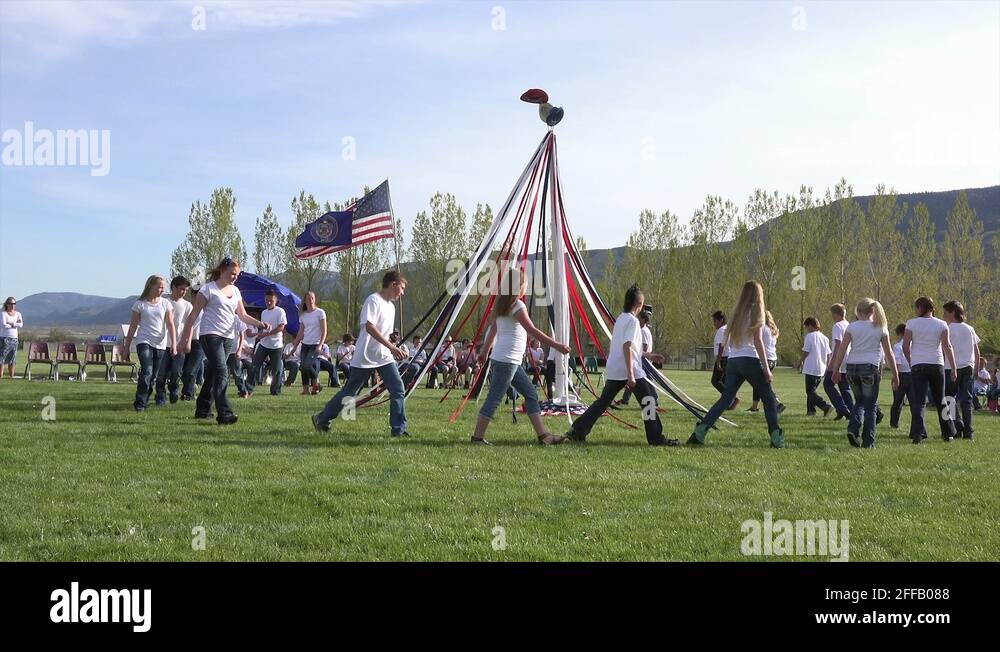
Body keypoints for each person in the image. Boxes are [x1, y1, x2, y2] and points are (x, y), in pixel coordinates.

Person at [567, 283, 677, 446]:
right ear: (639, 304)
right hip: (629, 369)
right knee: (649, 399)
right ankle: (655, 438)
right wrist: (631, 375)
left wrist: (649, 355)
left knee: (603, 402)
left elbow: (631, 347)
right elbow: (627, 346)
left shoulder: (621, 318)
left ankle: (578, 430)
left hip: (616, 369)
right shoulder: (632, 321)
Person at [472, 267, 571, 445]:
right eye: (525, 284)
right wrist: (557, 345)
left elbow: (493, 329)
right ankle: (477, 437)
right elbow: (532, 330)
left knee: (531, 394)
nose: (526, 288)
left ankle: (544, 436)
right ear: (519, 286)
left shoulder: (503, 305)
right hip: (507, 361)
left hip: (509, 361)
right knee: (494, 399)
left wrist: (485, 351)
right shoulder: (517, 306)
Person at [312, 271, 409, 437]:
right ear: (393, 284)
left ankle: (399, 430)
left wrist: (392, 346)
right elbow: (370, 327)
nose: (402, 293)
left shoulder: (391, 307)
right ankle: (322, 418)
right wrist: (392, 347)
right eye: (402, 288)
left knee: (398, 389)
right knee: (350, 393)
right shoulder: (373, 300)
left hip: (383, 356)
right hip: (365, 356)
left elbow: (383, 334)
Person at [688, 281, 783, 448]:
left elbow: (728, 340)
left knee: (725, 399)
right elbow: (758, 341)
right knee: (768, 398)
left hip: (734, 361)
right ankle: (776, 437)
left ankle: (700, 431)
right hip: (751, 360)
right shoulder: (757, 312)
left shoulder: (736, 313)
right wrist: (766, 369)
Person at [179, 257, 265, 425]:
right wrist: (186, 339)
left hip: (227, 338)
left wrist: (260, 323)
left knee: (212, 374)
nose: (235, 277)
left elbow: (242, 315)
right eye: (233, 273)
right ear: (223, 270)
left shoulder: (236, 291)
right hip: (210, 335)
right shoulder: (207, 289)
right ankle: (224, 413)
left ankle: (203, 409)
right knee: (222, 372)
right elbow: (193, 315)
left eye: (237, 275)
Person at [828, 298, 899, 448]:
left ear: (858, 312)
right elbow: (889, 353)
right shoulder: (880, 328)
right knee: (870, 406)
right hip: (869, 367)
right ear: (873, 312)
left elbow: (841, 349)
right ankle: (868, 442)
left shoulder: (852, 327)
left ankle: (853, 429)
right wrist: (895, 375)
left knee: (859, 402)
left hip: (852, 367)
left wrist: (836, 369)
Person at [902, 296, 958, 443]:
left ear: (921, 308)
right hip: (936, 364)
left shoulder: (911, 323)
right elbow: (947, 347)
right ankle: (949, 433)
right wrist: (953, 367)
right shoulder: (942, 324)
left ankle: (918, 434)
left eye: (916, 307)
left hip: (918, 364)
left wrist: (911, 361)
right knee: (941, 400)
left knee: (919, 401)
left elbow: (905, 346)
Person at [124, 275, 177, 411]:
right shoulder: (140, 304)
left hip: (160, 343)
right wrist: (127, 347)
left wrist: (174, 344)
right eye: (159, 287)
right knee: (147, 371)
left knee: (153, 376)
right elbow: (133, 326)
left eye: (163, 288)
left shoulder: (166, 303)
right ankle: (140, 404)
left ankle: (145, 398)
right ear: (150, 286)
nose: (162, 290)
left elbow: (170, 324)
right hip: (144, 341)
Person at [942, 300, 981, 440]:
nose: (944, 316)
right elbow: (977, 350)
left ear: (953, 312)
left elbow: (944, 348)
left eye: (946, 313)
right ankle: (968, 432)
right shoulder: (969, 328)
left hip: (951, 367)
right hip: (968, 366)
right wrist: (976, 367)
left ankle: (955, 427)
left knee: (948, 398)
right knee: (967, 400)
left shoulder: (947, 328)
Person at [153, 276, 193, 404]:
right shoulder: (163, 302)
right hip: (163, 343)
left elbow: (189, 325)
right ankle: (160, 395)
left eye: (186, 290)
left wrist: (188, 342)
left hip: (179, 344)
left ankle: (174, 388)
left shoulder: (187, 305)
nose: (184, 292)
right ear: (173, 287)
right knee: (161, 372)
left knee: (176, 371)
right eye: (181, 289)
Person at [248, 289, 287, 396]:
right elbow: (263, 327)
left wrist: (266, 334)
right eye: (266, 300)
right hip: (264, 344)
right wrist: (260, 334)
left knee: (276, 370)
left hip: (276, 345)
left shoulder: (280, 311)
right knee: (254, 366)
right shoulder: (264, 312)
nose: (268, 302)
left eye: (271, 300)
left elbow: (281, 327)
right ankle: (248, 389)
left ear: (276, 300)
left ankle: (275, 391)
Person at [748, 310, 786, 414]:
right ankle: (754, 407)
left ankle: (777, 403)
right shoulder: (773, 330)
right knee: (759, 383)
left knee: (762, 384)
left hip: (765, 358)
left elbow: (755, 341)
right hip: (773, 359)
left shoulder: (762, 328)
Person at [616, 308, 653, 407]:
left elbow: (642, 347)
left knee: (645, 385)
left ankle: (653, 402)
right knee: (642, 385)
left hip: (642, 361)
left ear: (644, 320)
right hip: (639, 360)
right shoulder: (640, 329)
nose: (637, 319)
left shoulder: (643, 331)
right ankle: (625, 400)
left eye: (639, 318)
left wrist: (648, 355)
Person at [824, 303, 854, 420]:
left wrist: (832, 364)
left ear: (836, 314)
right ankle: (850, 411)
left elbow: (838, 344)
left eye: (832, 314)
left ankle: (841, 408)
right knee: (844, 387)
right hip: (848, 360)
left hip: (839, 359)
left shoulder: (837, 326)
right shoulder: (849, 325)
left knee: (828, 384)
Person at [797, 316, 832, 417]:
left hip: (811, 367)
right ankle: (811, 411)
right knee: (812, 391)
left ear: (811, 326)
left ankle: (825, 406)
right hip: (821, 368)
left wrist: (800, 362)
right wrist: (827, 366)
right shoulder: (824, 338)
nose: (807, 330)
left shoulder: (810, 336)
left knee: (810, 392)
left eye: (807, 327)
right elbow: (829, 354)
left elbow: (806, 352)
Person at [292, 292, 327, 396]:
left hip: (315, 344)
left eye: (312, 298)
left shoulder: (320, 313)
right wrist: (295, 345)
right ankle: (305, 389)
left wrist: (320, 344)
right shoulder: (303, 315)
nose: (310, 300)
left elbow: (324, 330)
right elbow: (301, 332)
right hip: (305, 344)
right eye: (308, 298)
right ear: (305, 300)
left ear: (314, 299)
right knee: (303, 367)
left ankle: (316, 382)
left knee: (307, 365)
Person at [710, 310, 738, 410]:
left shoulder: (722, 330)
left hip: (723, 358)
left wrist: (718, 361)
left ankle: (732, 399)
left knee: (715, 381)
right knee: (725, 382)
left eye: (715, 321)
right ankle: (729, 402)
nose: (714, 324)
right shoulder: (728, 329)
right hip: (729, 358)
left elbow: (722, 345)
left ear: (721, 320)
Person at [889, 324, 913, 429]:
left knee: (897, 402)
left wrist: (895, 377)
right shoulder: (914, 345)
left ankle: (894, 423)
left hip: (901, 374)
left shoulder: (898, 346)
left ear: (900, 333)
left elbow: (897, 363)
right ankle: (916, 423)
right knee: (914, 402)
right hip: (913, 374)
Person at [1, 297, 23, 379]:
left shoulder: (18, 314)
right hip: (4, 338)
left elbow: (21, 324)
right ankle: (1, 376)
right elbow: (4, 325)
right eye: (11, 303)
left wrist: (11, 323)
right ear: (7, 304)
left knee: (13, 358)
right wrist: (15, 323)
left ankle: (11, 377)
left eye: (14, 303)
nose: (13, 305)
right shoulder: (3, 313)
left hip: (14, 338)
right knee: (2, 358)